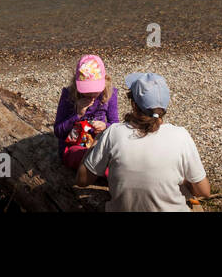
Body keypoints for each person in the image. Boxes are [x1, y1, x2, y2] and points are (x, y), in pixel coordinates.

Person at [75, 72, 209, 211]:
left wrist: (96, 142)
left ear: (133, 104)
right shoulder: (180, 135)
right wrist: (184, 180)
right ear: (164, 107)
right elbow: (204, 191)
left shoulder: (114, 132)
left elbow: (82, 180)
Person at [53, 54, 119, 170]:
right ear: (76, 83)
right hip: (74, 147)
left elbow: (116, 126)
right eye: (86, 90)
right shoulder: (69, 95)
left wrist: (105, 126)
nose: (91, 95)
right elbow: (58, 131)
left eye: (95, 90)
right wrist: (78, 114)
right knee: (89, 158)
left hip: (98, 144)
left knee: (116, 155)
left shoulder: (110, 94)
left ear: (105, 81)